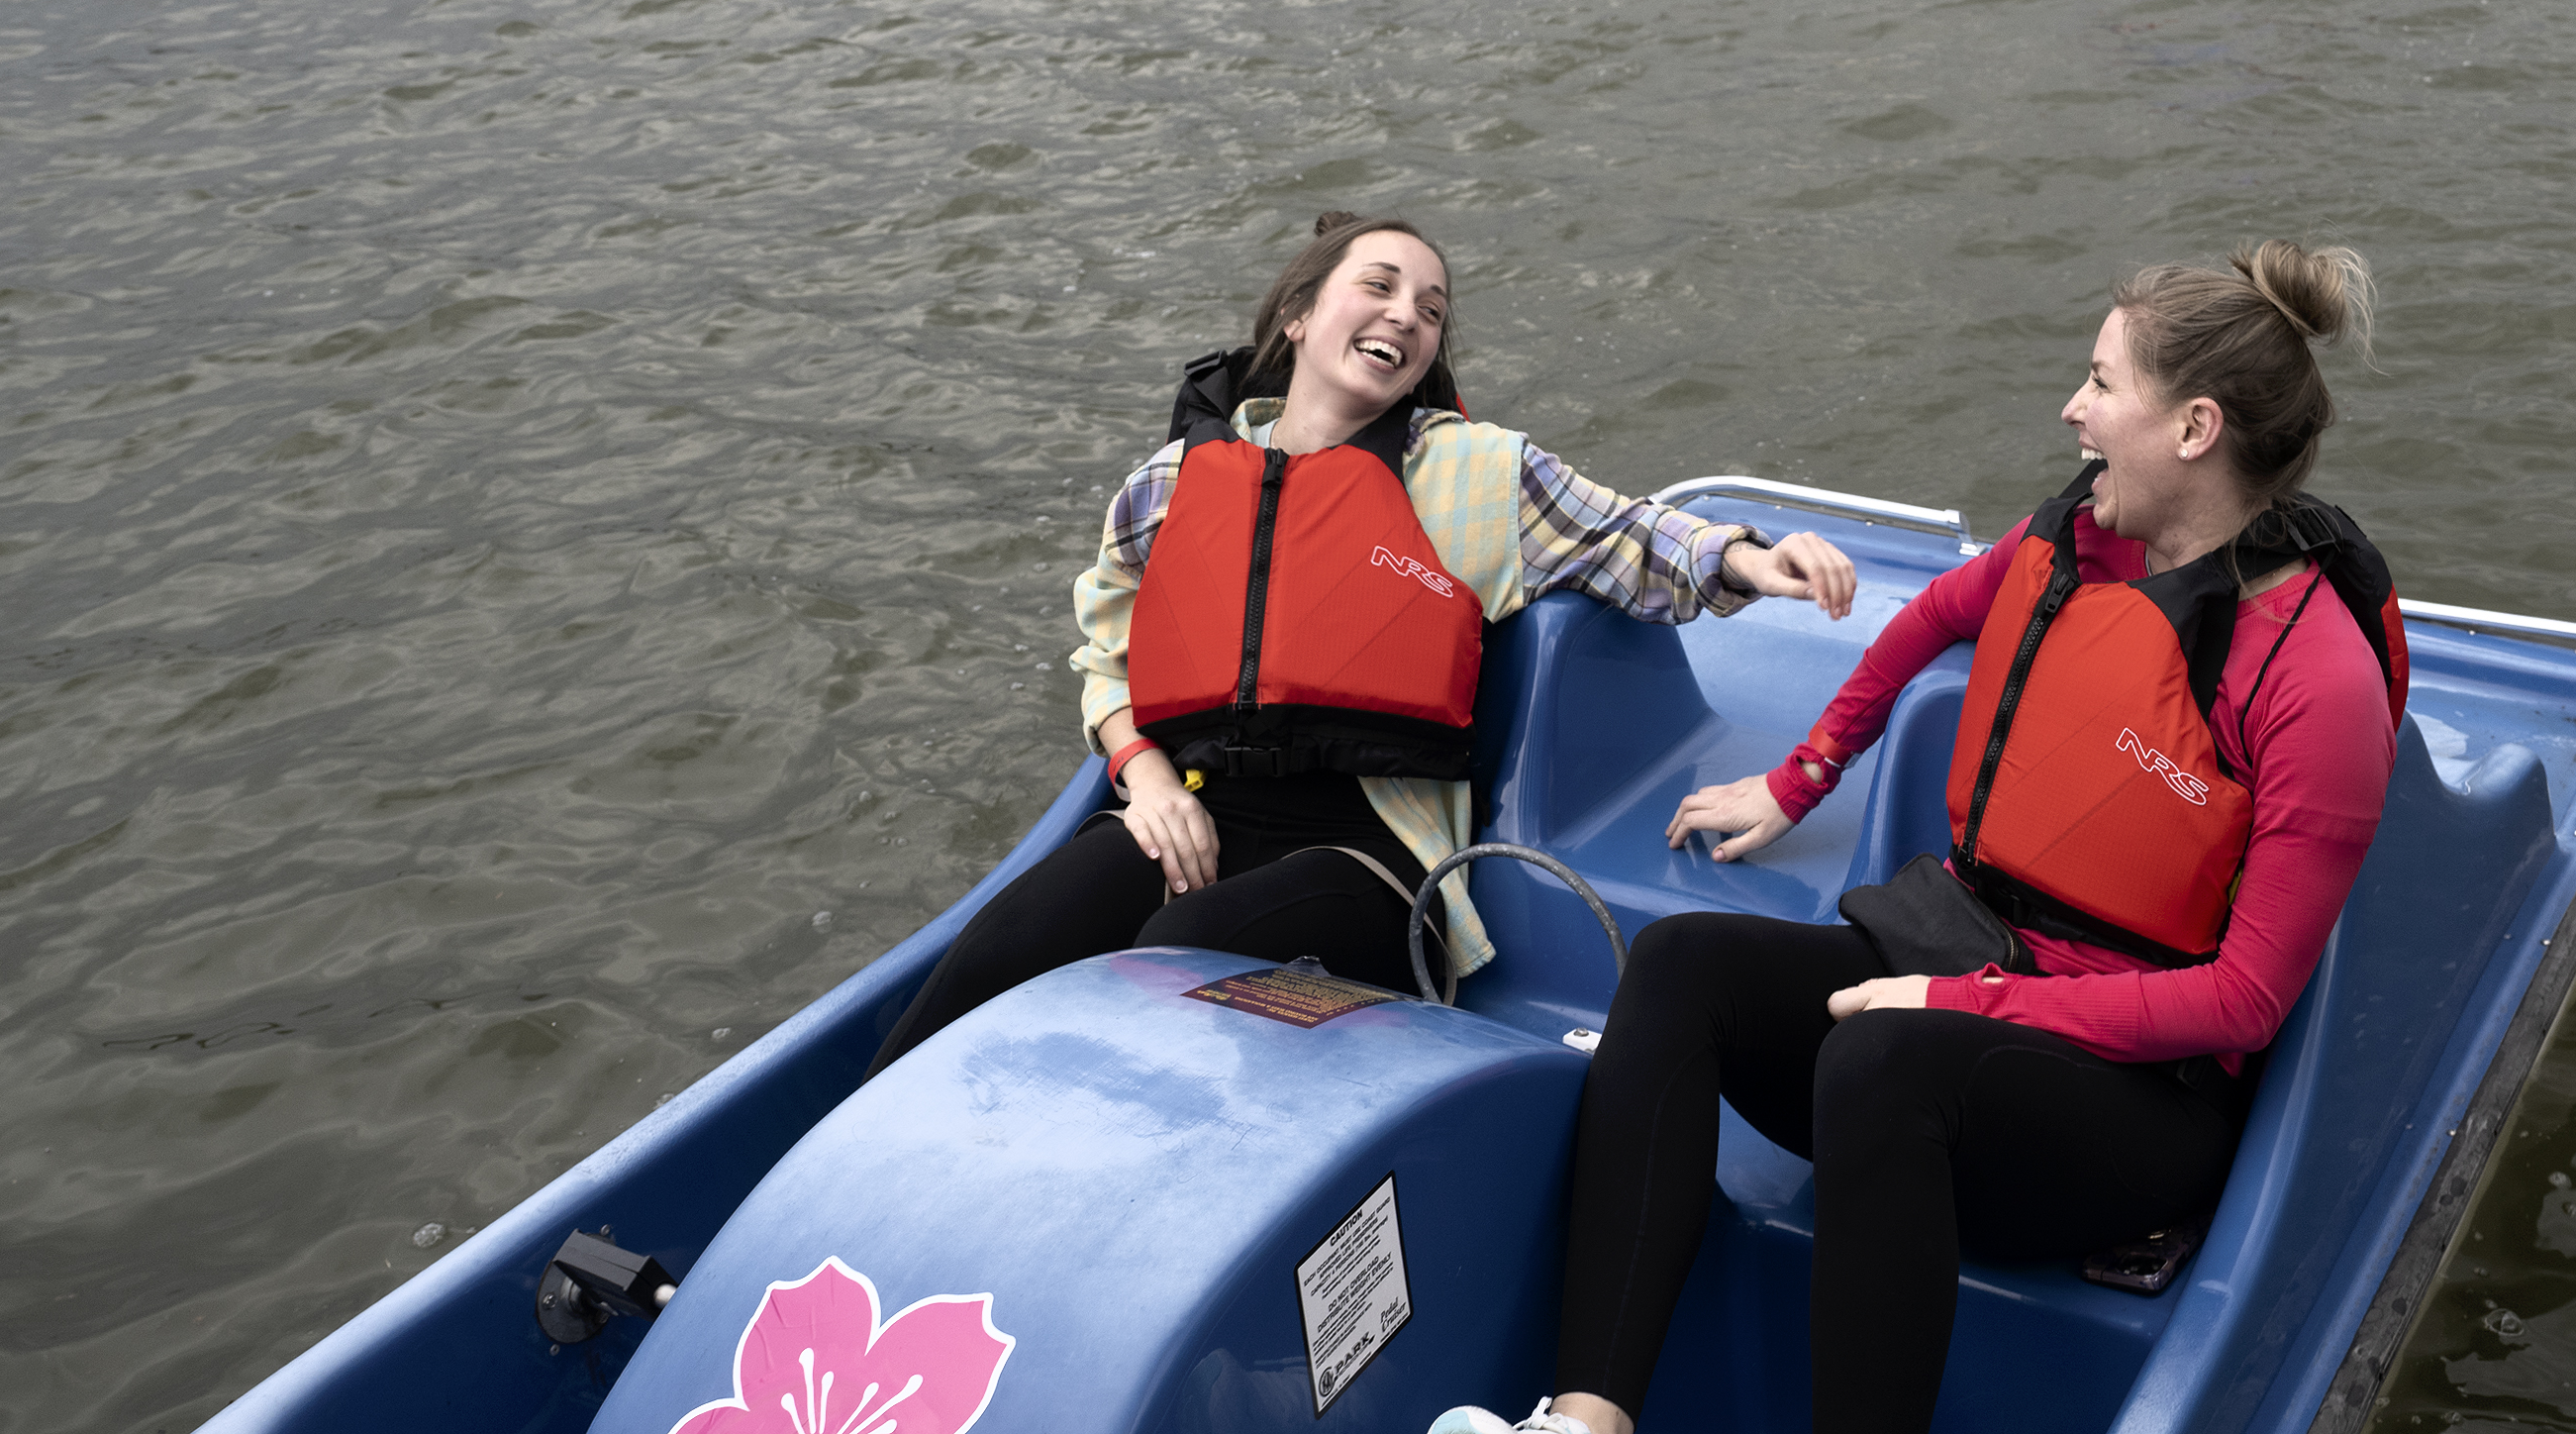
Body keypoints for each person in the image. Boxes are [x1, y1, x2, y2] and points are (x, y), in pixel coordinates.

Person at [1430, 244, 2400, 1434]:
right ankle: (1584, 1418)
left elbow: (2245, 1001)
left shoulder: (2316, 678)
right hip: (1975, 969)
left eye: (2101, 382)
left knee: (1884, 1061)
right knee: (1685, 964)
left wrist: (1961, 1003)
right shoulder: (2081, 543)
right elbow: (1930, 618)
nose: (2072, 407)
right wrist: (1796, 780)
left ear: (2193, 425)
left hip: (2133, 1102)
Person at [869, 212, 1862, 1068]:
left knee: (1185, 952)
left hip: (1373, 859)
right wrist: (1149, 774)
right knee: (1009, 939)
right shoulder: (1168, 484)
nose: (1407, 315)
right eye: (1379, 286)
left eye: (1430, 308)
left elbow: (1630, 537)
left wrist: (1746, 556)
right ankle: (836, 1170)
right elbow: (1107, 655)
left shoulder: (1475, 471)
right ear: (1299, 315)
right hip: (1195, 807)